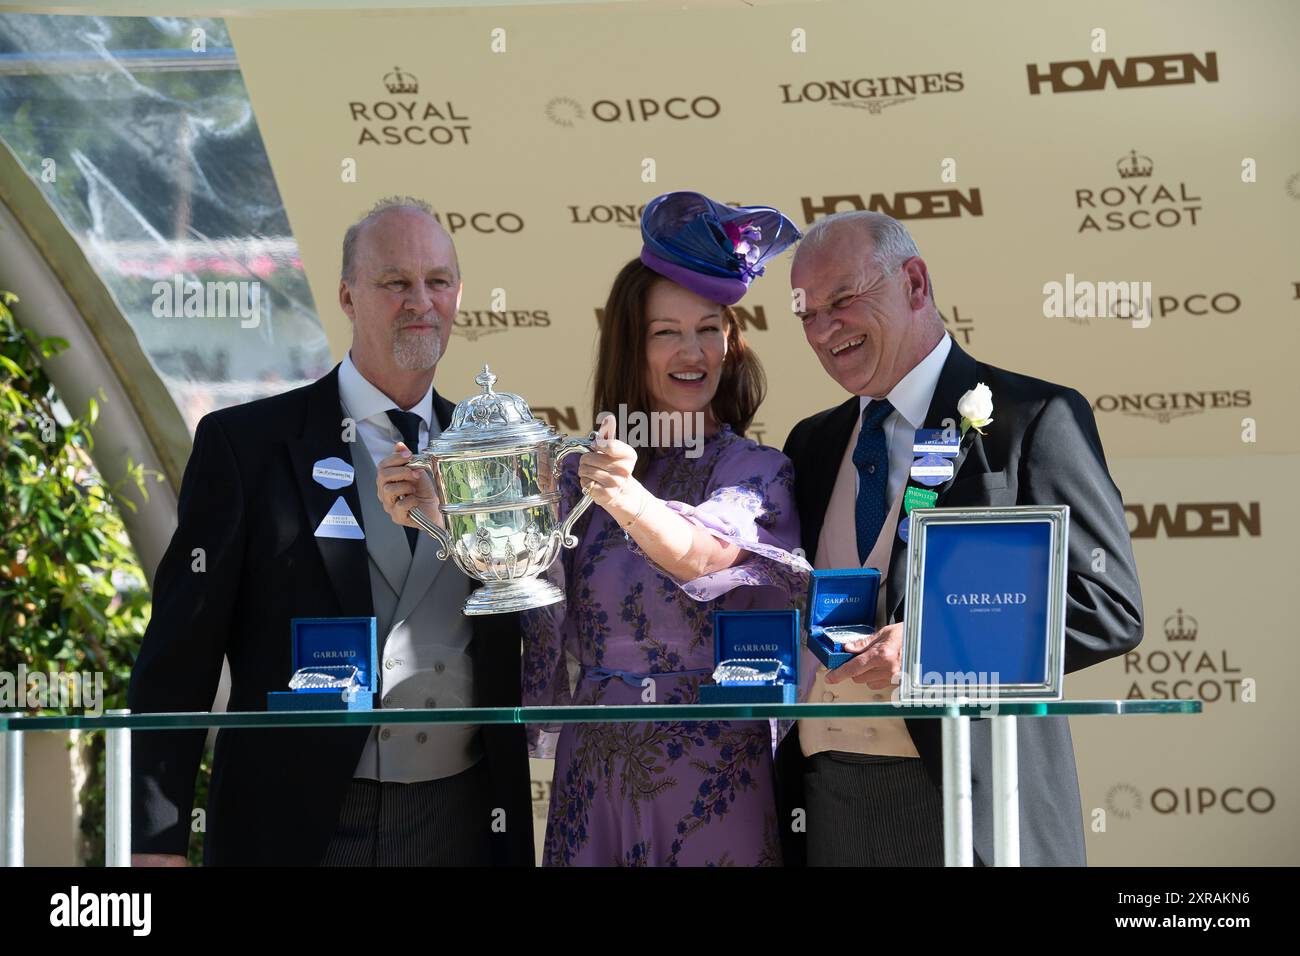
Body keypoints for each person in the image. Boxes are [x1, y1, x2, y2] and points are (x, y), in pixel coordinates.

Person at [383, 191, 810, 866]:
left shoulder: (757, 468)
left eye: (708, 328)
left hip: (718, 772)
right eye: (666, 332)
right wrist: (439, 519)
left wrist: (626, 497)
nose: (692, 350)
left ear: (731, 339)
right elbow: (520, 576)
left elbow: (705, 558)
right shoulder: (578, 469)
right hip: (595, 772)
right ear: (632, 347)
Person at [128, 197, 532, 866]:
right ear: (347, 295)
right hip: (293, 820)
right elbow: (179, 655)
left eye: (437, 281)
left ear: (459, 295)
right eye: (394, 282)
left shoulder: (498, 452)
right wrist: (156, 839)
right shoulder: (246, 446)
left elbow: (535, 618)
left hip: (464, 820)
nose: (420, 301)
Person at [777, 211, 1144, 866]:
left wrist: (926, 647)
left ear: (915, 283)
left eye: (843, 301)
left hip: (973, 804)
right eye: (806, 313)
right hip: (827, 805)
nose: (823, 329)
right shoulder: (811, 443)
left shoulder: (1033, 419)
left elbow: (1106, 607)